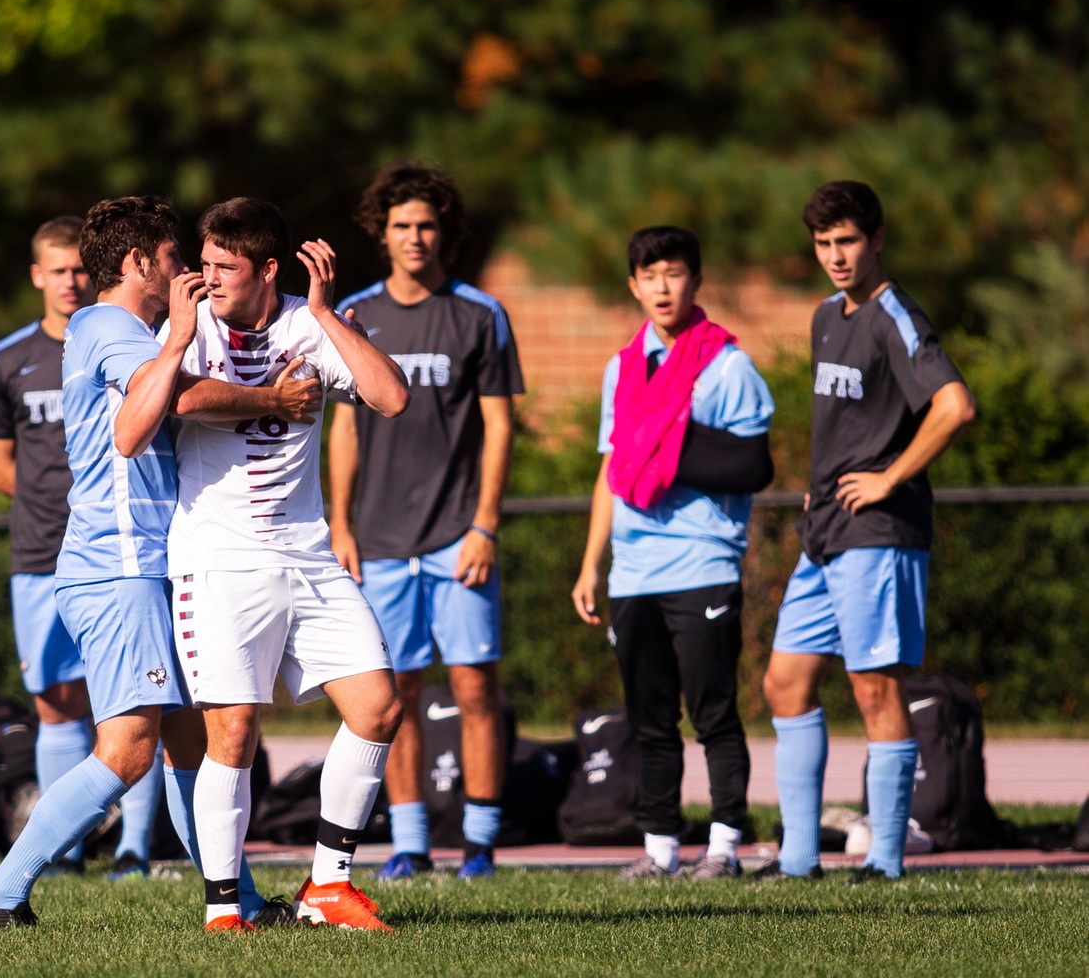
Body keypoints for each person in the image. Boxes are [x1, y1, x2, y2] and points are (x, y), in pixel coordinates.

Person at [0, 196, 317, 928]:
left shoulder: (136, 330)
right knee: (127, 750)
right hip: (117, 568)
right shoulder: (105, 325)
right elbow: (179, 399)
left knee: (193, 742)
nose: (183, 269)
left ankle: (240, 902)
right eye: (169, 257)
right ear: (135, 264)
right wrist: (269, 399)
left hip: (157, 569)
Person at [169, 198, 409, 932]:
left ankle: (327, 887)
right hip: (218, 557)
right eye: (201, 263)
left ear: (266, 270)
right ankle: (221, 910)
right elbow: (180, 399)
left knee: (377, 706)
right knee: (233, 729)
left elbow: (389, 396)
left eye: (222, 267)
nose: (205, 278)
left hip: (305, 551)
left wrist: (329, 313)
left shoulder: (309, 323)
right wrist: (272, 395)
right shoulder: (190, 323)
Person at [758, 181, 974, 883]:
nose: (834, 256)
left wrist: (887, 478)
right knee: (783, 683)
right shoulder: (825, 316)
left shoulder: (895, 314)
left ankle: (882, 859)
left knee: (873, 688)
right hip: (824, 532)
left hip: (879, 531)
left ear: (875, 238)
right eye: (822, 244)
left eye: (846, 240)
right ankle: (796, 858)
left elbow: (953, 405)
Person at [329, 162, 523, 881]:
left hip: (456, 538)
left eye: (427, 224)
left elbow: (499, 427)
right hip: (376, 543)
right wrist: (340, 527)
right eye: (402, 225)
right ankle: (408, 843)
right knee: (395, 693)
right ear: (381, 233)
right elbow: (343, 430)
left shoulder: (480, 313)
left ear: (445, 233)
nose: (415, 237)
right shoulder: (353, 315)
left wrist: (484, 524)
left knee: (475, 689)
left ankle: (478, 844)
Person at [571, 226, 775, 881]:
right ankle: (660, 847)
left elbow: (751, 463)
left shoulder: (727, 366)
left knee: (712, 711)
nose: (661, 286)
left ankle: (722, 847)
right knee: (648, 717)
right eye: (648, 275)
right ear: (632, 286)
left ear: (695, 280)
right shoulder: (620, 368)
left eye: (674, 272)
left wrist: (672, 445)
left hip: (701, 562)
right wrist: (589, 563)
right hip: (632, 571)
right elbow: (610, 470)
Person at [0, 216, 165, 880]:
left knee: (144, 713)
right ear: (36, 276)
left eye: (79, 269)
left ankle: (145, 852)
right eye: (57, 271)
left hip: (127, 547)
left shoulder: (130, 334)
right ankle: (54, 858)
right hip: (58, 547)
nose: (70, 282)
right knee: (63, 703)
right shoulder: (11, 357)